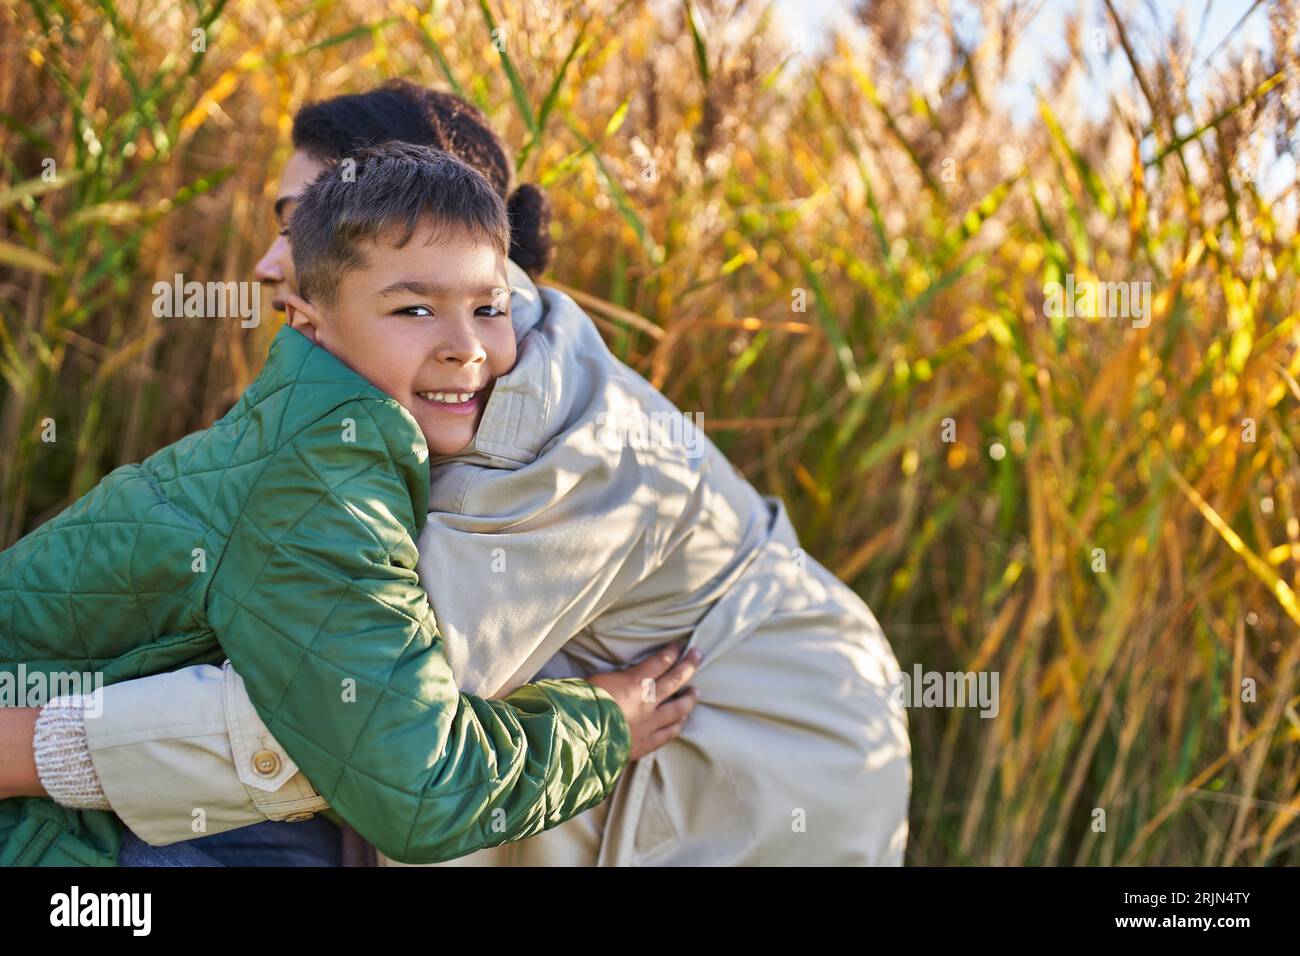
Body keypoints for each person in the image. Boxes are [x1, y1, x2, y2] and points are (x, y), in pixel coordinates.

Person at [7, 81, 910, 866]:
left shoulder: (529, 430)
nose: (270, 261)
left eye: (297, 221)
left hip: (771, 767)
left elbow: (372, 734)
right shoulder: (380, 399)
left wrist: (20, 747)